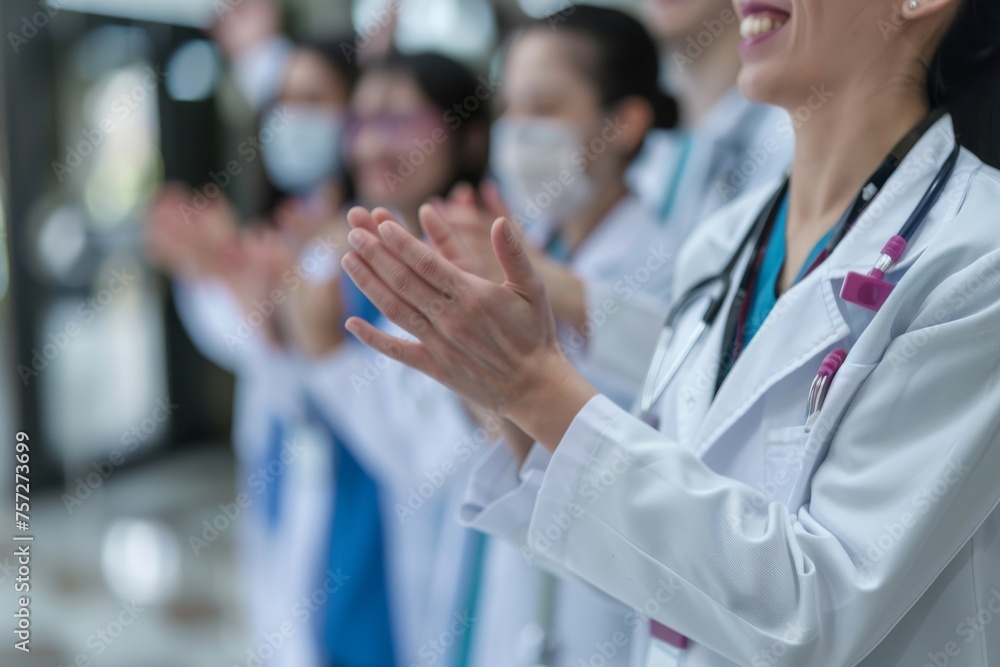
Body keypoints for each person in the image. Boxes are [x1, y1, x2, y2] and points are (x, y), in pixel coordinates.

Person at [336, 0, 1000, 664]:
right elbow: (670, 568)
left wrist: (537, 388)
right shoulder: (721, 246)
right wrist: (513, 405)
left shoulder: (976, 257)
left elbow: (817, 611)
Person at [420, 7, 680, 666]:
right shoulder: (522, 253)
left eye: (544, 105)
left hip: (609, 617)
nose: (517, 131)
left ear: (624, 123)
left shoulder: (673, 261)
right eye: (508, 108)